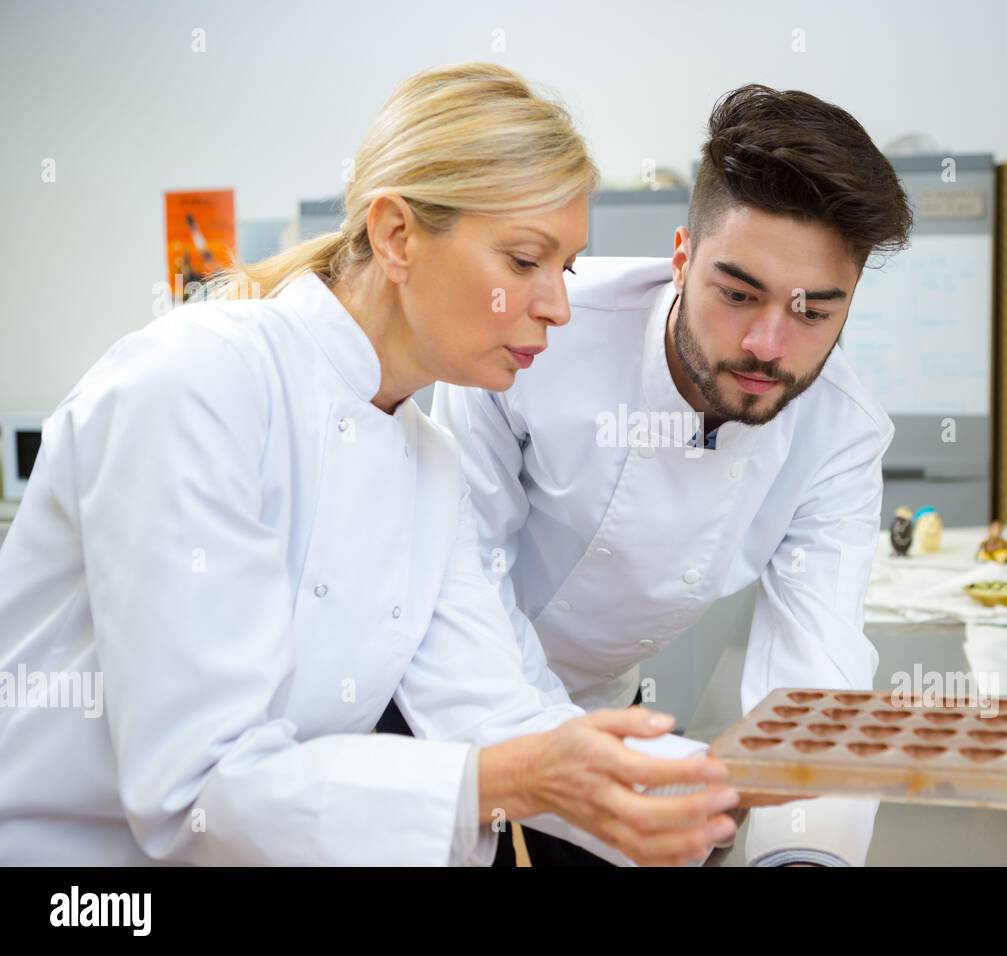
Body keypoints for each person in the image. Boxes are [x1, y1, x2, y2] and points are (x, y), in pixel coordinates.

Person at [0, 63, 737, 866]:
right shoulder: (197, 384)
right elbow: (200, 791)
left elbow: (494, 711)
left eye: (563, 269)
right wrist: (512, 779)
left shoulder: (430, 461)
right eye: (525, 261)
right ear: (396, 236)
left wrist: (741, 782)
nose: (558, 305)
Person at [419, 84, 912, 865]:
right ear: (682, 257)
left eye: (815, 312)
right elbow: (457, 576)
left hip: (603, 713)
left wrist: (803, 852)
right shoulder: (537, 333)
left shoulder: (840, 432)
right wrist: (543, 754)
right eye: (737, 294)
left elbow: (816, 675)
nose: (768, 345)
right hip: (435, 693)